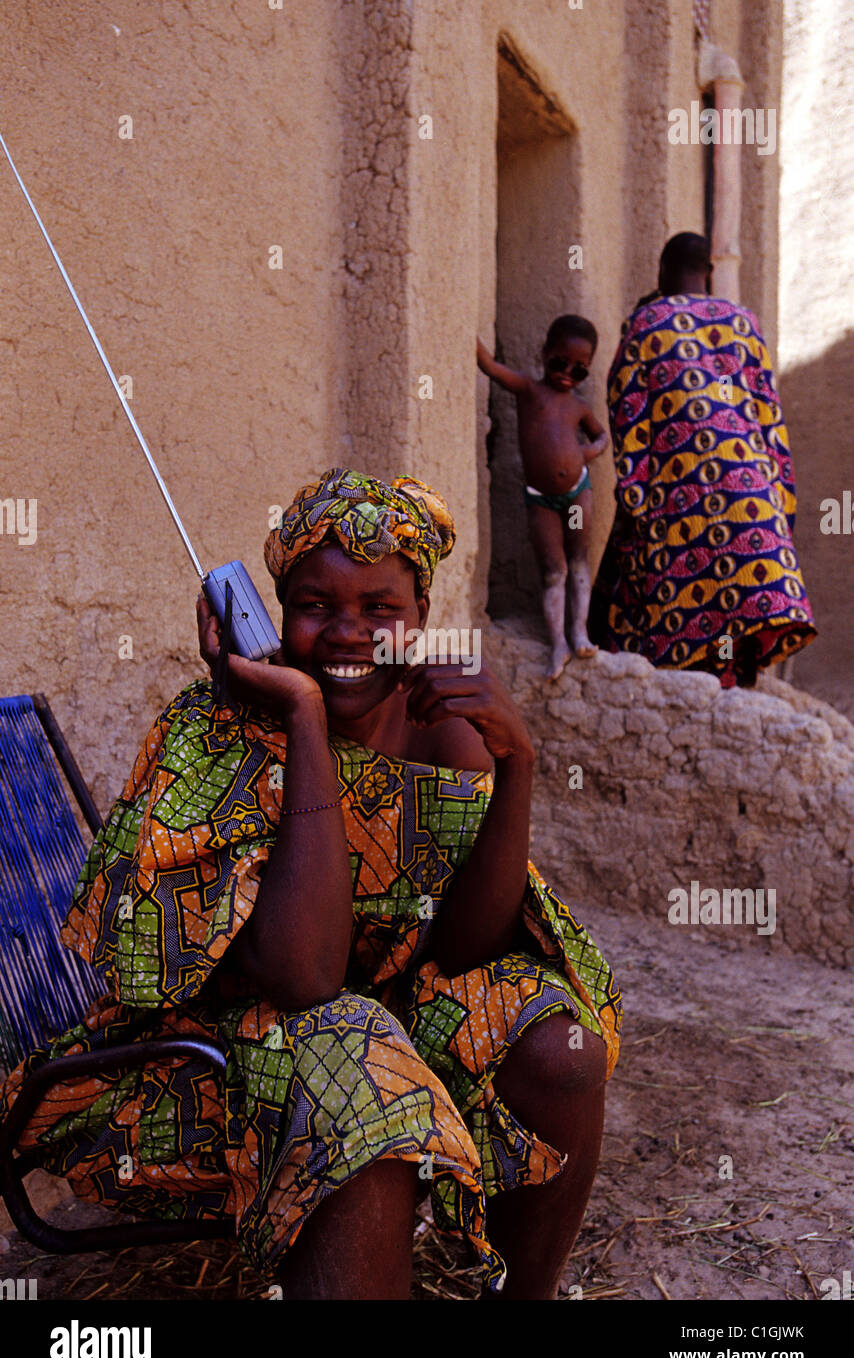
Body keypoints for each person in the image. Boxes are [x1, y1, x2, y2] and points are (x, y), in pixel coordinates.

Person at [1, 469, 621, 1300]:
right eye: (315, 605)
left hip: (375, 1026)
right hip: (204, 1061)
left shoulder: (443, 726)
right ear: (274, 614)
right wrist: (301, 721)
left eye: (381, 608)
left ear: (423, 620)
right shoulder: (214, 733)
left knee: (552, 1035)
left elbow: (469, 950)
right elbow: (304, 976)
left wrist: (519, 767)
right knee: (355, 1067)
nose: (346, 633)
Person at [589, 232, 816, 686]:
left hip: (681, 489)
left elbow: (628, 416)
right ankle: (736, 682)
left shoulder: (645, 322)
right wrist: (779, 496)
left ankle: (698, 686)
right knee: (744, 596)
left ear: (661, 271)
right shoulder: (744, 322)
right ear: (709, 275)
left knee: (678, 594)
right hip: (751, 482)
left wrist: (636, 494)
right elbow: (769, 413)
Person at [477, 318, 609, 679]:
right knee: (554, 570)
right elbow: (489, 366)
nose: (567, 373)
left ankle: (579, 632)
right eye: (559, 363)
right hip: (540, 499)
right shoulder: (528, 391)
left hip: (576, 494)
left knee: (579, 560)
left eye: (579, 369)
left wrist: (588, 452)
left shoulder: (578, 407)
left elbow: (601, 437)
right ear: (544, 354)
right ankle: (558, 644)